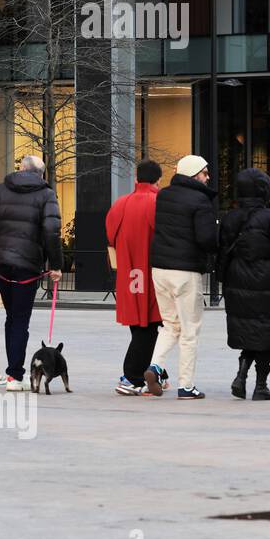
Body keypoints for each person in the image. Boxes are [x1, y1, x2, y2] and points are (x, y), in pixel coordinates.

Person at [0, 155, 63, 392]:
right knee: (20, 319)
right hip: (29, 266)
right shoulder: (46, 194)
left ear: (21, 168)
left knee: (11, 316)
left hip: (2, 264)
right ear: (40, 174)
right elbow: (51, 230)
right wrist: (56, 265)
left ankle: (14, 373)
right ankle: (14, 375)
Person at [218, 168, 270, 401]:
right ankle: (260, 385)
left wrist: (223, 281)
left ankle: (242, 373)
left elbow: (222, 254)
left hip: (238, 280)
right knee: (267, 333)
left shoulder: (230, 217)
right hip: (268, 281)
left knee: (250, 331)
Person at [150, 155, 219, 400]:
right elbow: (206, 239)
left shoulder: (164, 195)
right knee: (190, 331)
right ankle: (186, 385)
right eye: (204, 172)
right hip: (185, 271)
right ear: (194, 174)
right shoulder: (200, 200)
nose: (207, 176)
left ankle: (155, 366)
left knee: (170, 325)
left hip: (159, 269)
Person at [106, 159, 170, 396]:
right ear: (158, 180)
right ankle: (132, 376)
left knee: (139, 326)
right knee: (150, 326)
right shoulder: (158, 202)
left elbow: (111, 236)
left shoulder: (120, 204)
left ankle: (155, 373)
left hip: (129, 273)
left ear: (136, 178)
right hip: (152, 272)